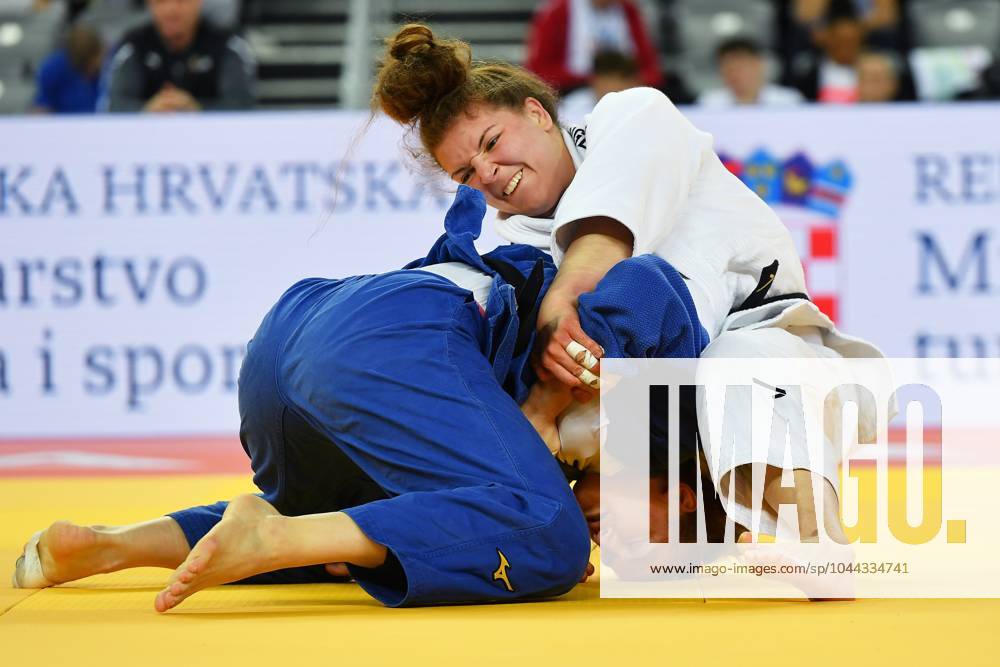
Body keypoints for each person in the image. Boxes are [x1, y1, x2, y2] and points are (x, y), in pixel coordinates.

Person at [14, 187, 709, 609]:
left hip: (289, 358)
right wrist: (545, 409)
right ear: (679, 496)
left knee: (399, 524)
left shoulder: (541, 468)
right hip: (396, 332)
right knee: (546, 538)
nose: (606, 542)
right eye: (632, 538)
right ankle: (275, 534)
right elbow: (648, 281)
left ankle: (112, 546)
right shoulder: (667, 398)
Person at [371, 24, 886, 568]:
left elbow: (607, 256)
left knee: (741, 370)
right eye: (466, 173)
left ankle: (817, 542)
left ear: (538, 112)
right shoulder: (515, 238)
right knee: (527, 414)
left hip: (762, 338)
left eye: (492, 143)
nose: (489, 175)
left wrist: (557, 314)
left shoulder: (633, 116)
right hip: (655, 394)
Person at [101, 0, 255, 113]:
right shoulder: (134, 45)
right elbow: (114, 105)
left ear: (198, 3)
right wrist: (148, 110)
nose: (171, 10)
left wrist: (197, 109)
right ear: (150, 5)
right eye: (161, 2)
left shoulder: (226, 44)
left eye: (181, 1)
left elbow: (242, 106)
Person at [525, 0, 662, 95]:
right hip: (574, 90)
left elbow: (651, 68)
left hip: (628, 87)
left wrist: (628, 81)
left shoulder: (629, 12)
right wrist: (592, 80)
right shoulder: (557, 12)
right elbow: (539, 70)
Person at [697, 37, 804, 108]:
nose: (735, 75)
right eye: (729, 69)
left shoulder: (789, 101)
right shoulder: (709, 103)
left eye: (740, 68)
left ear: (758, 65)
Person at [33, 24, 105, 114]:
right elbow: (41, 108)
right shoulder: (54, 68)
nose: (99, 62)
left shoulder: (107, 68)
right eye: (93, 61)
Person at [558, 50, 642, 125]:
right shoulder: (571, 106)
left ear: (631, 83)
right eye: (605, 80)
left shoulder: (641, 108)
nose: (607, 87)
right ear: (593, 80)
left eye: (613, 80)